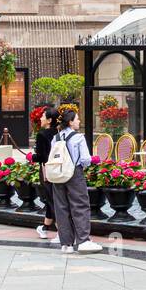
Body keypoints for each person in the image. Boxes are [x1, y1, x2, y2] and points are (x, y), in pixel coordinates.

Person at [50, 108, 102, 254]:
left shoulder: (56, 137)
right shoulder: (79, 137)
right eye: (77, 119)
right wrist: (87, 165)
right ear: (71, 122)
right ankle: (83, 240)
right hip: (74, 173)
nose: (79, 121)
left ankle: (66, 244)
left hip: (59, 174)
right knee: (80, 205)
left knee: (61, 207)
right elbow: (85, 159)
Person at [31, 105, 59, 241]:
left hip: (47, 171)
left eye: (43, 116)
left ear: (49, 120)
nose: (40, 118)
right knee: (51, 199)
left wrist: (32, 157)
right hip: (60, 170)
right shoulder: (59, 132)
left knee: (52, 199)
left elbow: (42, 156)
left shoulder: (42, 134)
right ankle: (44, 228)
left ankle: (61, 232)